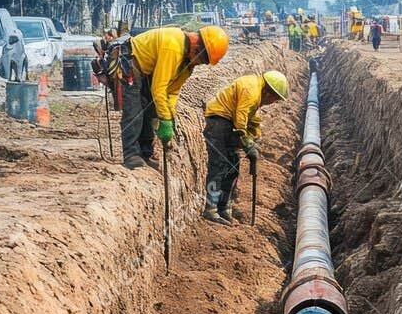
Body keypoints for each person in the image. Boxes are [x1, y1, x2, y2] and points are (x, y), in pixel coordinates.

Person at [119, 25, 229, 171]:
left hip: (148, 68)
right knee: (135, 109)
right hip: (132, 62)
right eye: (202, 58)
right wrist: (164, 119)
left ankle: (146, 152)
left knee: (152, 108)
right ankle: (131, 154)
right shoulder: (173, 47)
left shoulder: (187, 63)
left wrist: (170, 118)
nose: (199, 63)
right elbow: (159, 88)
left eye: (204, 62)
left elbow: (172, 92)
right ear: (196, 43)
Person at [201, 71, 290, 224]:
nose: (272, 103)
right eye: (274, 100)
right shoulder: (252, 91)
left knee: (232, 168)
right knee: (219, 166)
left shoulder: (256, 90)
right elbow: (241, 117)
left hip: (228, 124)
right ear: (269, 93)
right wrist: (246, 143)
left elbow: (249, 118)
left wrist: (252, 138)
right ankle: (211, 208)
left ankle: (224, 208)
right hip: (218, 123)